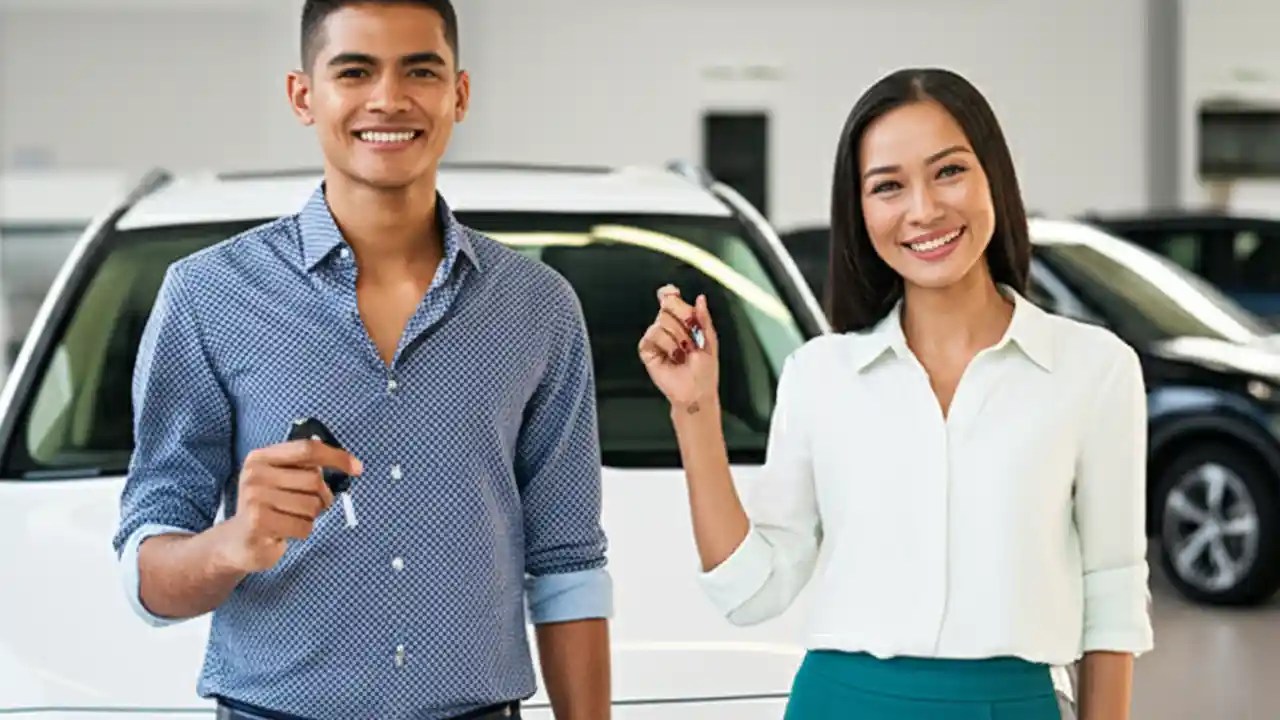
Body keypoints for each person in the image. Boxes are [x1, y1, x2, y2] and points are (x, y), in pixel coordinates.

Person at [111, 2, 612, 718]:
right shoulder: (208, 296)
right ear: (303, 95)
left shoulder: (537, 306)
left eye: (420, 72)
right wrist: (233, 543)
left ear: (459, 94)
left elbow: (568, 565)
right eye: (354, 72)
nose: (388, 98)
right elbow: (147, 581)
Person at [638, 67, 1154, 719]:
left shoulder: (1094, 369)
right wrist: (694, 409)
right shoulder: (820, 376)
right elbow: (751, 593)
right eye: (888, 186)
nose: (923, 210)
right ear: (860, 211)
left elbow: (1110, 598)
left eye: (949, 172)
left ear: (994, 176)